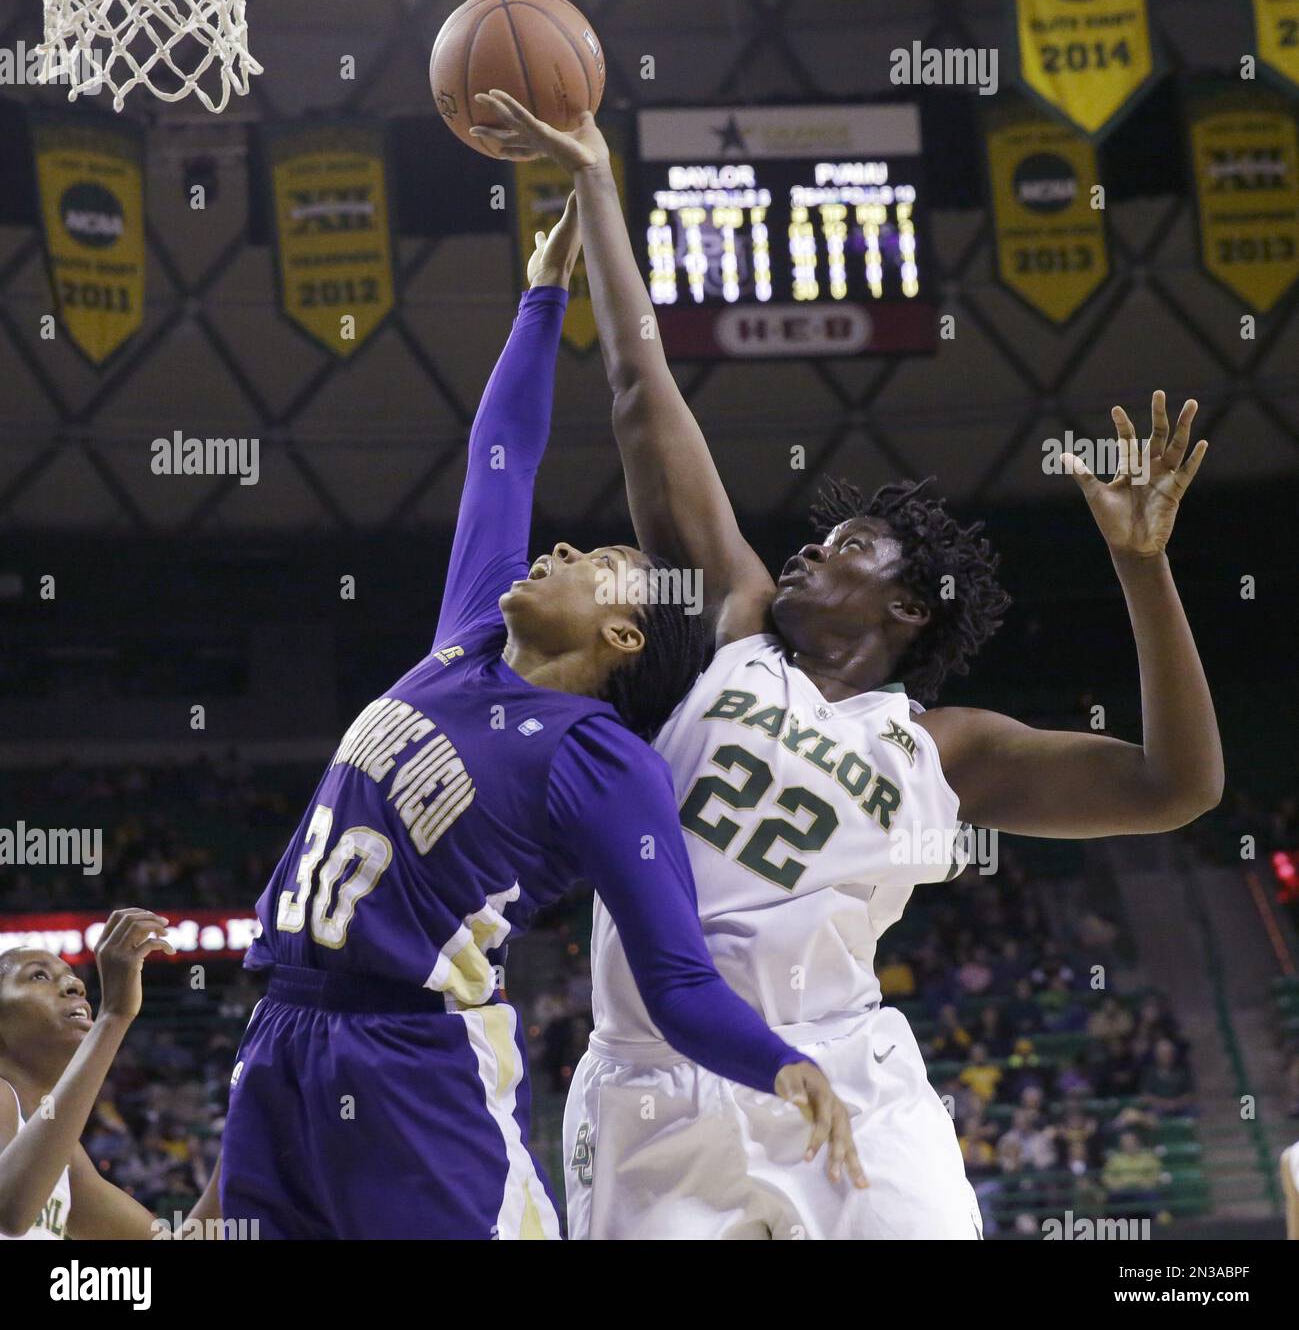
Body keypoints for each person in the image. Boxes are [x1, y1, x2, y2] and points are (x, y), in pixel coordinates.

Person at [471, 92, 1223, 1241]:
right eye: (822, 534)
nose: (815, 544)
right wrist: (598, 185)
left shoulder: (943, 747)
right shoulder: (735, 623)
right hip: (660, 1078)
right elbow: (640, 393)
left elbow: (1179, 785)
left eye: (851, 545)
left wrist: (1143, 569)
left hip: (852, 1075)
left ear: (907, 607)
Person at [218, 201, 862, 1242]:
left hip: (412, 1066)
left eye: (600, 564)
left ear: (623, 639)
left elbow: (679, 976)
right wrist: (542, 294)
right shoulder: (470, 635)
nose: (560, 551)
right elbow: (499, 458)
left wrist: (784, 1065)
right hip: (283, 1037)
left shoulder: (599, 760)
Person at [0, 910, 221, 1239]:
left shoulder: (66, 1158)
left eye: (73, 977)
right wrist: (114, 1015)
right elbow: (10, 1212)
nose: (75, 985)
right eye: (39, 976)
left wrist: (244, 1140)